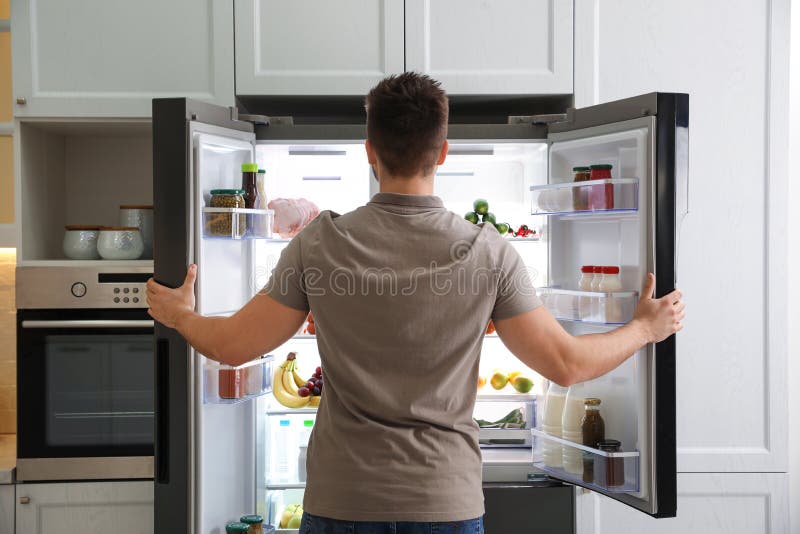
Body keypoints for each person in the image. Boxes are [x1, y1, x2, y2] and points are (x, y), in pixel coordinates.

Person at [146, 73, 684, 534]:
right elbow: (566, 364)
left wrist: (178, 314)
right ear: (443, 152)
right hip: (444, 503)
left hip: (341, 503)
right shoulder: (489, 253)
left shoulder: (318, 244)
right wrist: (644, 327)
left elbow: (234, 346)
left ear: (370, 151)